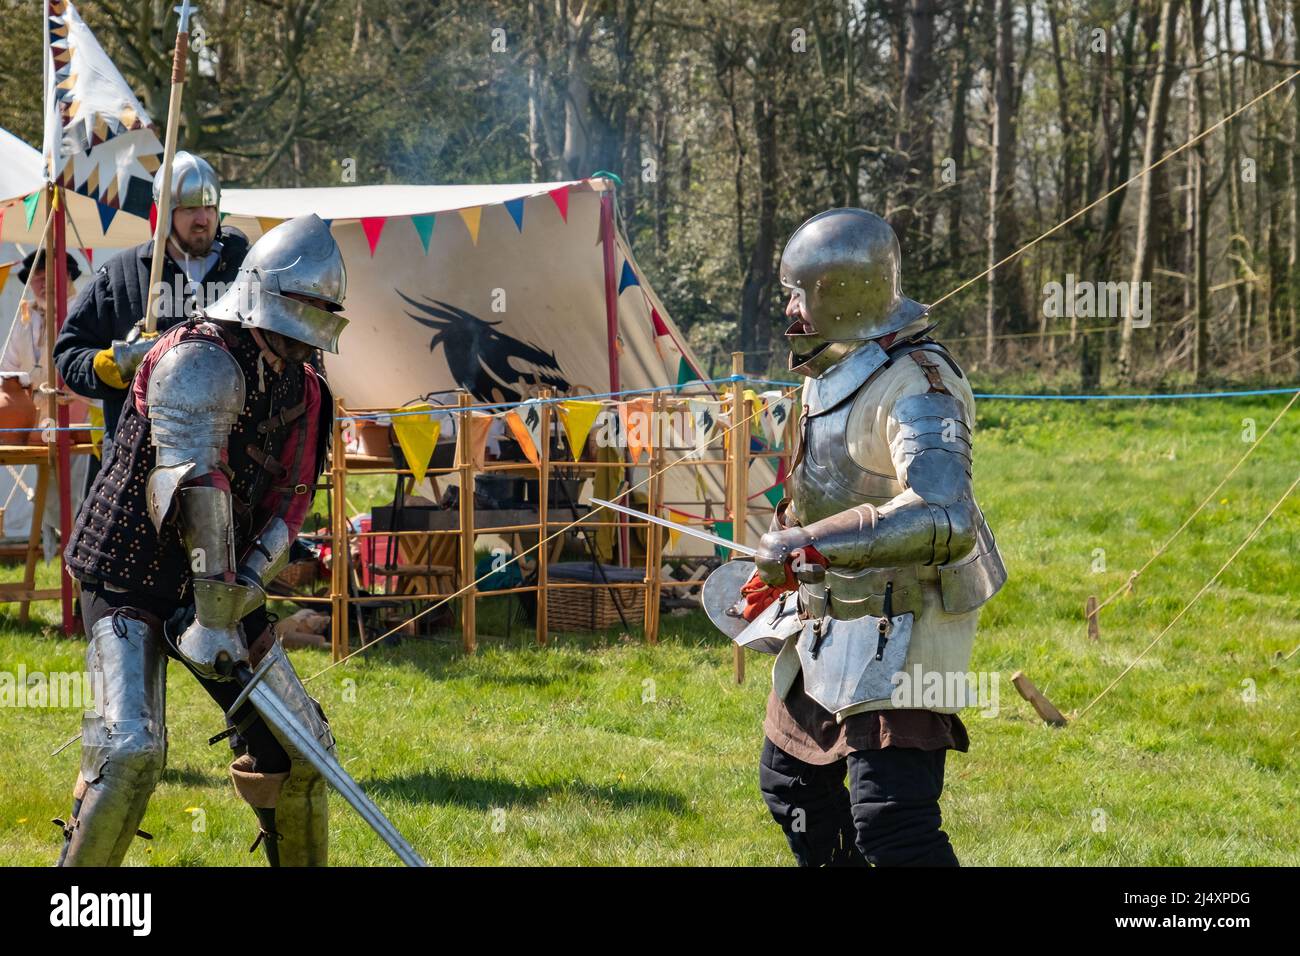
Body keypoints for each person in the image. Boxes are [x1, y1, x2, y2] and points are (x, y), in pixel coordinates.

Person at [53, 214, 347, 867]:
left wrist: (244, 587)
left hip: (219, 581)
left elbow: (289, 501)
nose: (309, 333)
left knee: (300, 749)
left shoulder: (303, 387)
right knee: (129, 750)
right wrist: (215, 602)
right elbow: (197, 486)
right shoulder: (198, 358)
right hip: (128, 567)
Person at [748, 208, 1007, 866]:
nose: (789, 307)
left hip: (908, 621)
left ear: (839, 293)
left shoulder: (920, 383)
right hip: (830, 614)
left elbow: (944, 514)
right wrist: (783, 545)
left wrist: (810, 543)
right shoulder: (831, 370)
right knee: (792, 785)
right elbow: (829, 484)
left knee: (893, 825)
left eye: (799, 293)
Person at [53, 151, 249, 455]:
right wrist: (113, 366)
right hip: (139, 452)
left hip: (231, 450)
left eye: (209, 207)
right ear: (166, 211)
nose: (202, 219)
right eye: (190, 208)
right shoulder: (121, 274)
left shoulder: (244, 269)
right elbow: (69, 352)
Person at [0, 250, 92, 557]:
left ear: (67, 278)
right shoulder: (25, 318)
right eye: (37, 279)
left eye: (50, 277)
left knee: (81, 493)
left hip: (80, 421)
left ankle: (81, 552)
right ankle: (62, 548)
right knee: (49, 489)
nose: (43, 284)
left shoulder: (84, 313)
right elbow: (9, 367)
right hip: (39, 424)